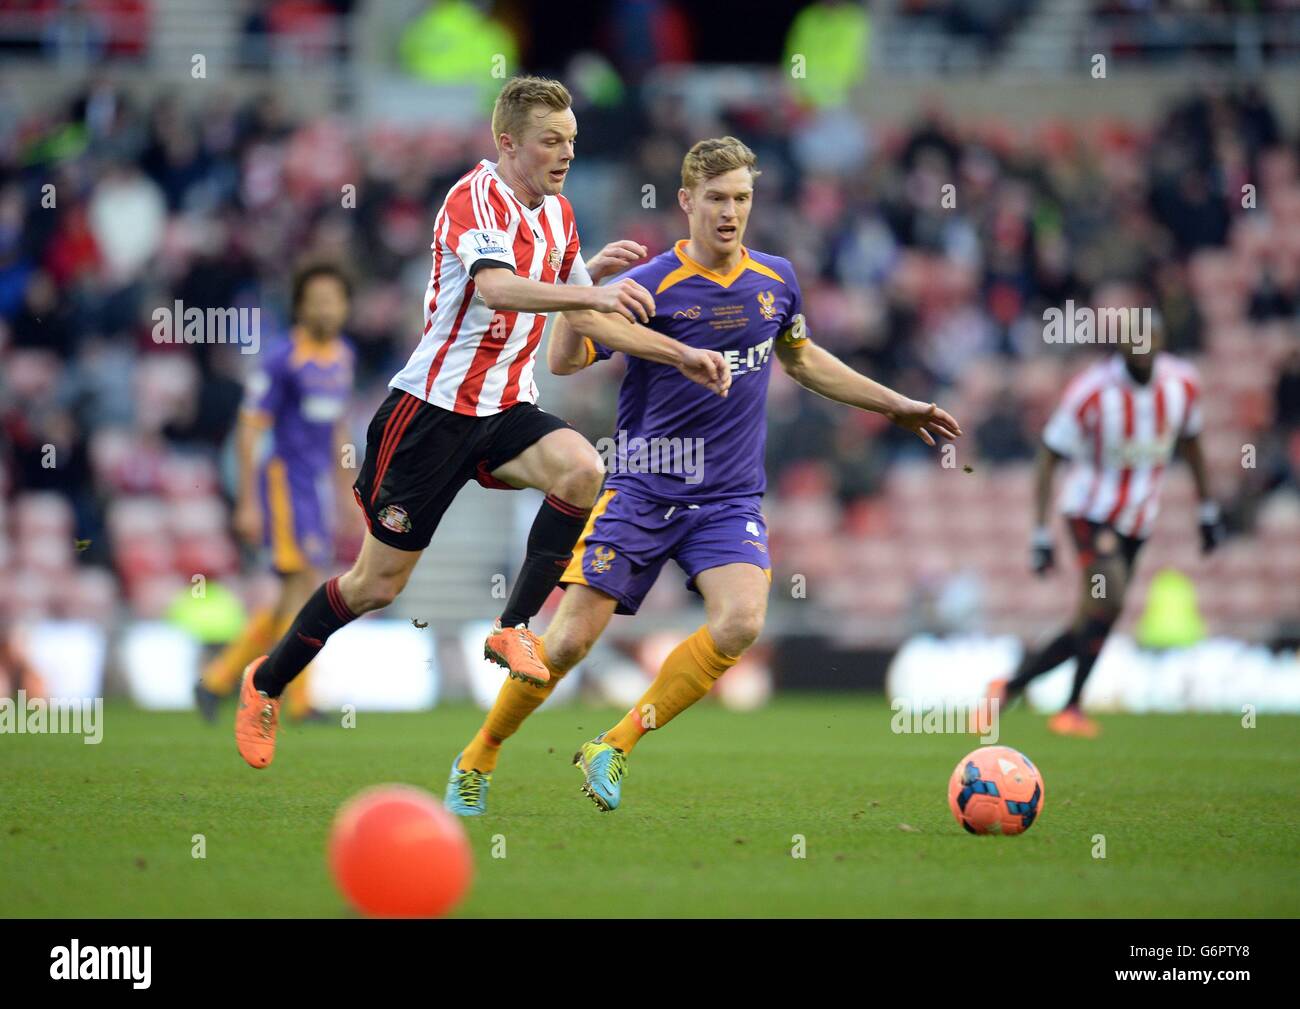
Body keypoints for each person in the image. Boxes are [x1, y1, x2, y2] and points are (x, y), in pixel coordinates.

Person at [444, 136, 962, 814]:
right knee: (566, 641)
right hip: (642, 486)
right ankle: (479, 754)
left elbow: (802, 360)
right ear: (686, 201)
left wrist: (894, 402)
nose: (730, 212)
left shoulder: (776, 280)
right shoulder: (652, 283)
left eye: (741, 198)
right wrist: (583, 299)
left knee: (742, 622)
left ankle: (615, 743)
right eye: (716, 198)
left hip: (726, 497)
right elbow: (567, 360)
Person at [233, 76, 729, 769]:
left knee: (584, 467)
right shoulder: (473, 197)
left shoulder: (559, 216)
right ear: (508, 143)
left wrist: (677, 351)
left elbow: (579, 319)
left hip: (504, 409)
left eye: (572, 141)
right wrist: (585, 285)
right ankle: (266, 680)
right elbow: (497, 286)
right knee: (374, 585)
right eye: (550, 141)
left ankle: (513, 625)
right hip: (429, 416)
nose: (565, 154)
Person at [991, 298, 1225, 737]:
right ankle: (1071, 708)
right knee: (1110, 599)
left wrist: (1207, 510)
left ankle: (1010, 688)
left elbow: (1192, 444)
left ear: (1161, 340)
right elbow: (1048, 454)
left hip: (1139, 519)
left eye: (1147, 336)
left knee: (1092, 618)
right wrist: (1040, 532)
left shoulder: (1182, 384)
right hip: (1090, 512)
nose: (1139, 345)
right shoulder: (1092, 390)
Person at [196, 261, 356, 723]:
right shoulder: (283, 359)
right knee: (305, 591)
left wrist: (347, 493)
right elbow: (250, 430)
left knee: (298, 596)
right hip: (283, 483)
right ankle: (299, 700)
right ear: (301, 307)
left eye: (334, 299)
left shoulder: (342, 357)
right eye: (317, 299)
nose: (326, 308)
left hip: (315, 488)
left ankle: (218, 679)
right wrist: (248, 500)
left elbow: (338, 430)